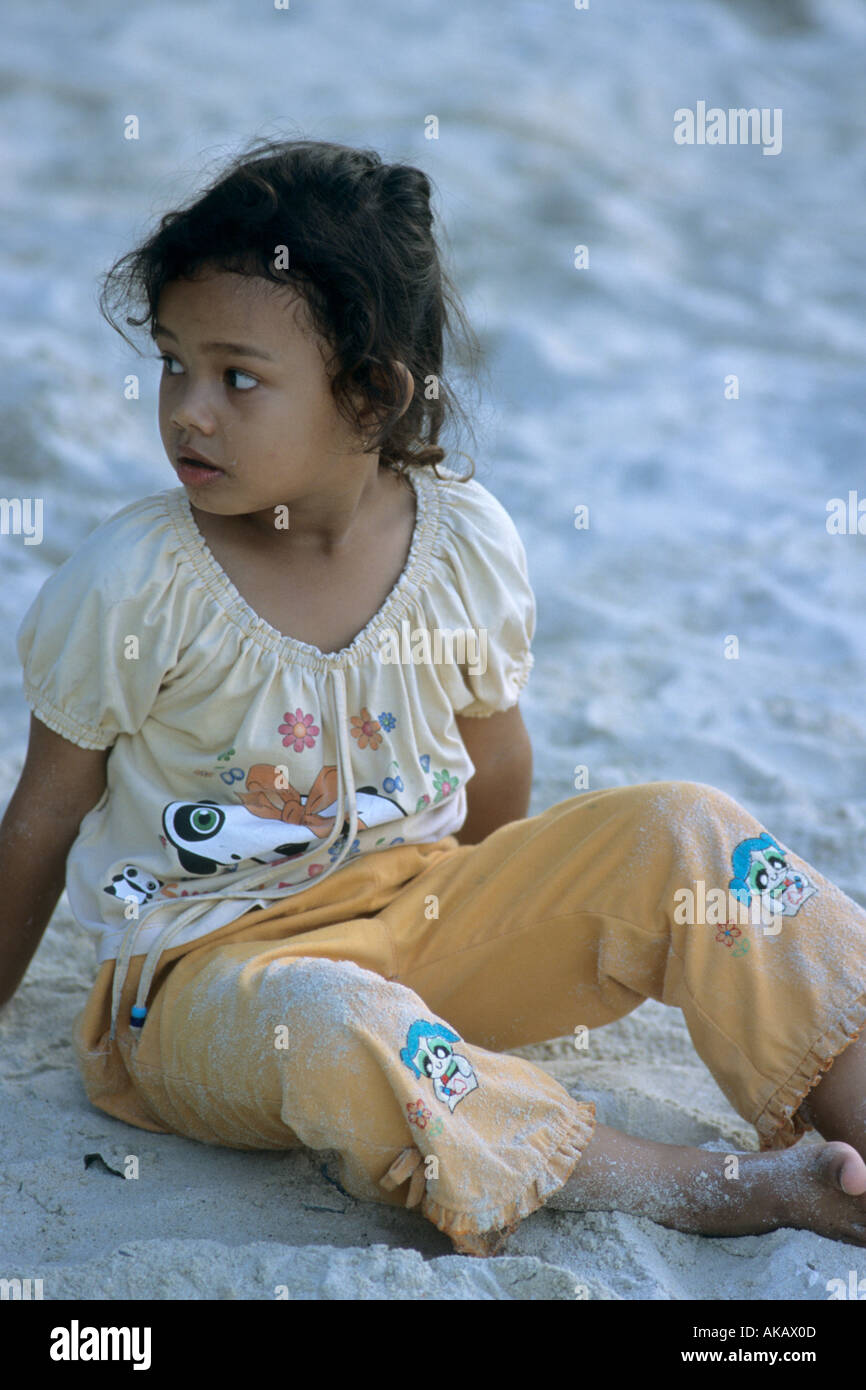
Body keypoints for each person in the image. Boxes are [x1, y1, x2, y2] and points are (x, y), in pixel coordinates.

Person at [2, 137, 865, 1259]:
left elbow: (498, 766)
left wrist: (503, 920)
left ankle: (850, 1122)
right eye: (172, 363)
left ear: (370, 394)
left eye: (237, 377)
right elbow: (41, 820)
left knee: (687, 830)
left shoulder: (461, 543)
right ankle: (709, 1185)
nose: (187, 411)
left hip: (424, 917)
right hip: (212, 991)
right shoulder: (134, 584)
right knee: (338, 1019)